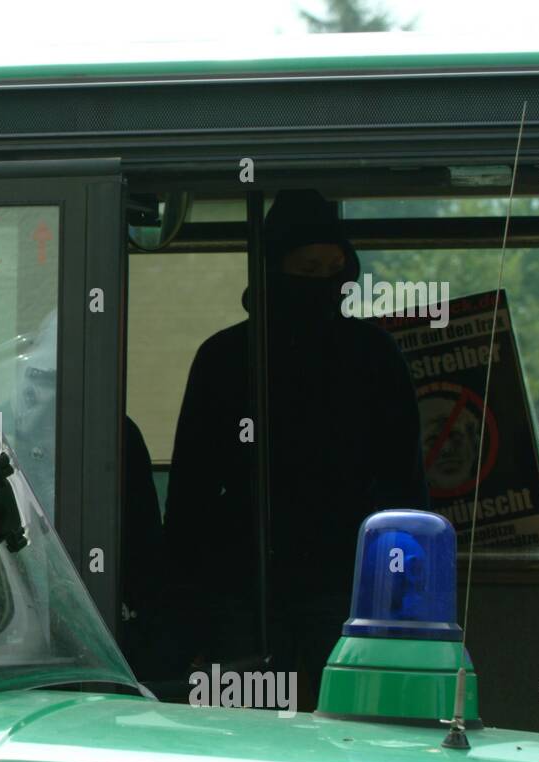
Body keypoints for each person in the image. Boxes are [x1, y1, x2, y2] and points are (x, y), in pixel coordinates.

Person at [158, 189, 428, 705]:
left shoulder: (374, 357)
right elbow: (192, 490)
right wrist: (187, 600)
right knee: (245, 734)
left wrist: (405, 585)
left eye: (334, 269)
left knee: (357, 720)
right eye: (307, 270)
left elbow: (404, 484)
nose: (323, 285)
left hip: (351, 584)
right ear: (275, 272)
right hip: (244, 586)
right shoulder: (228, 360)